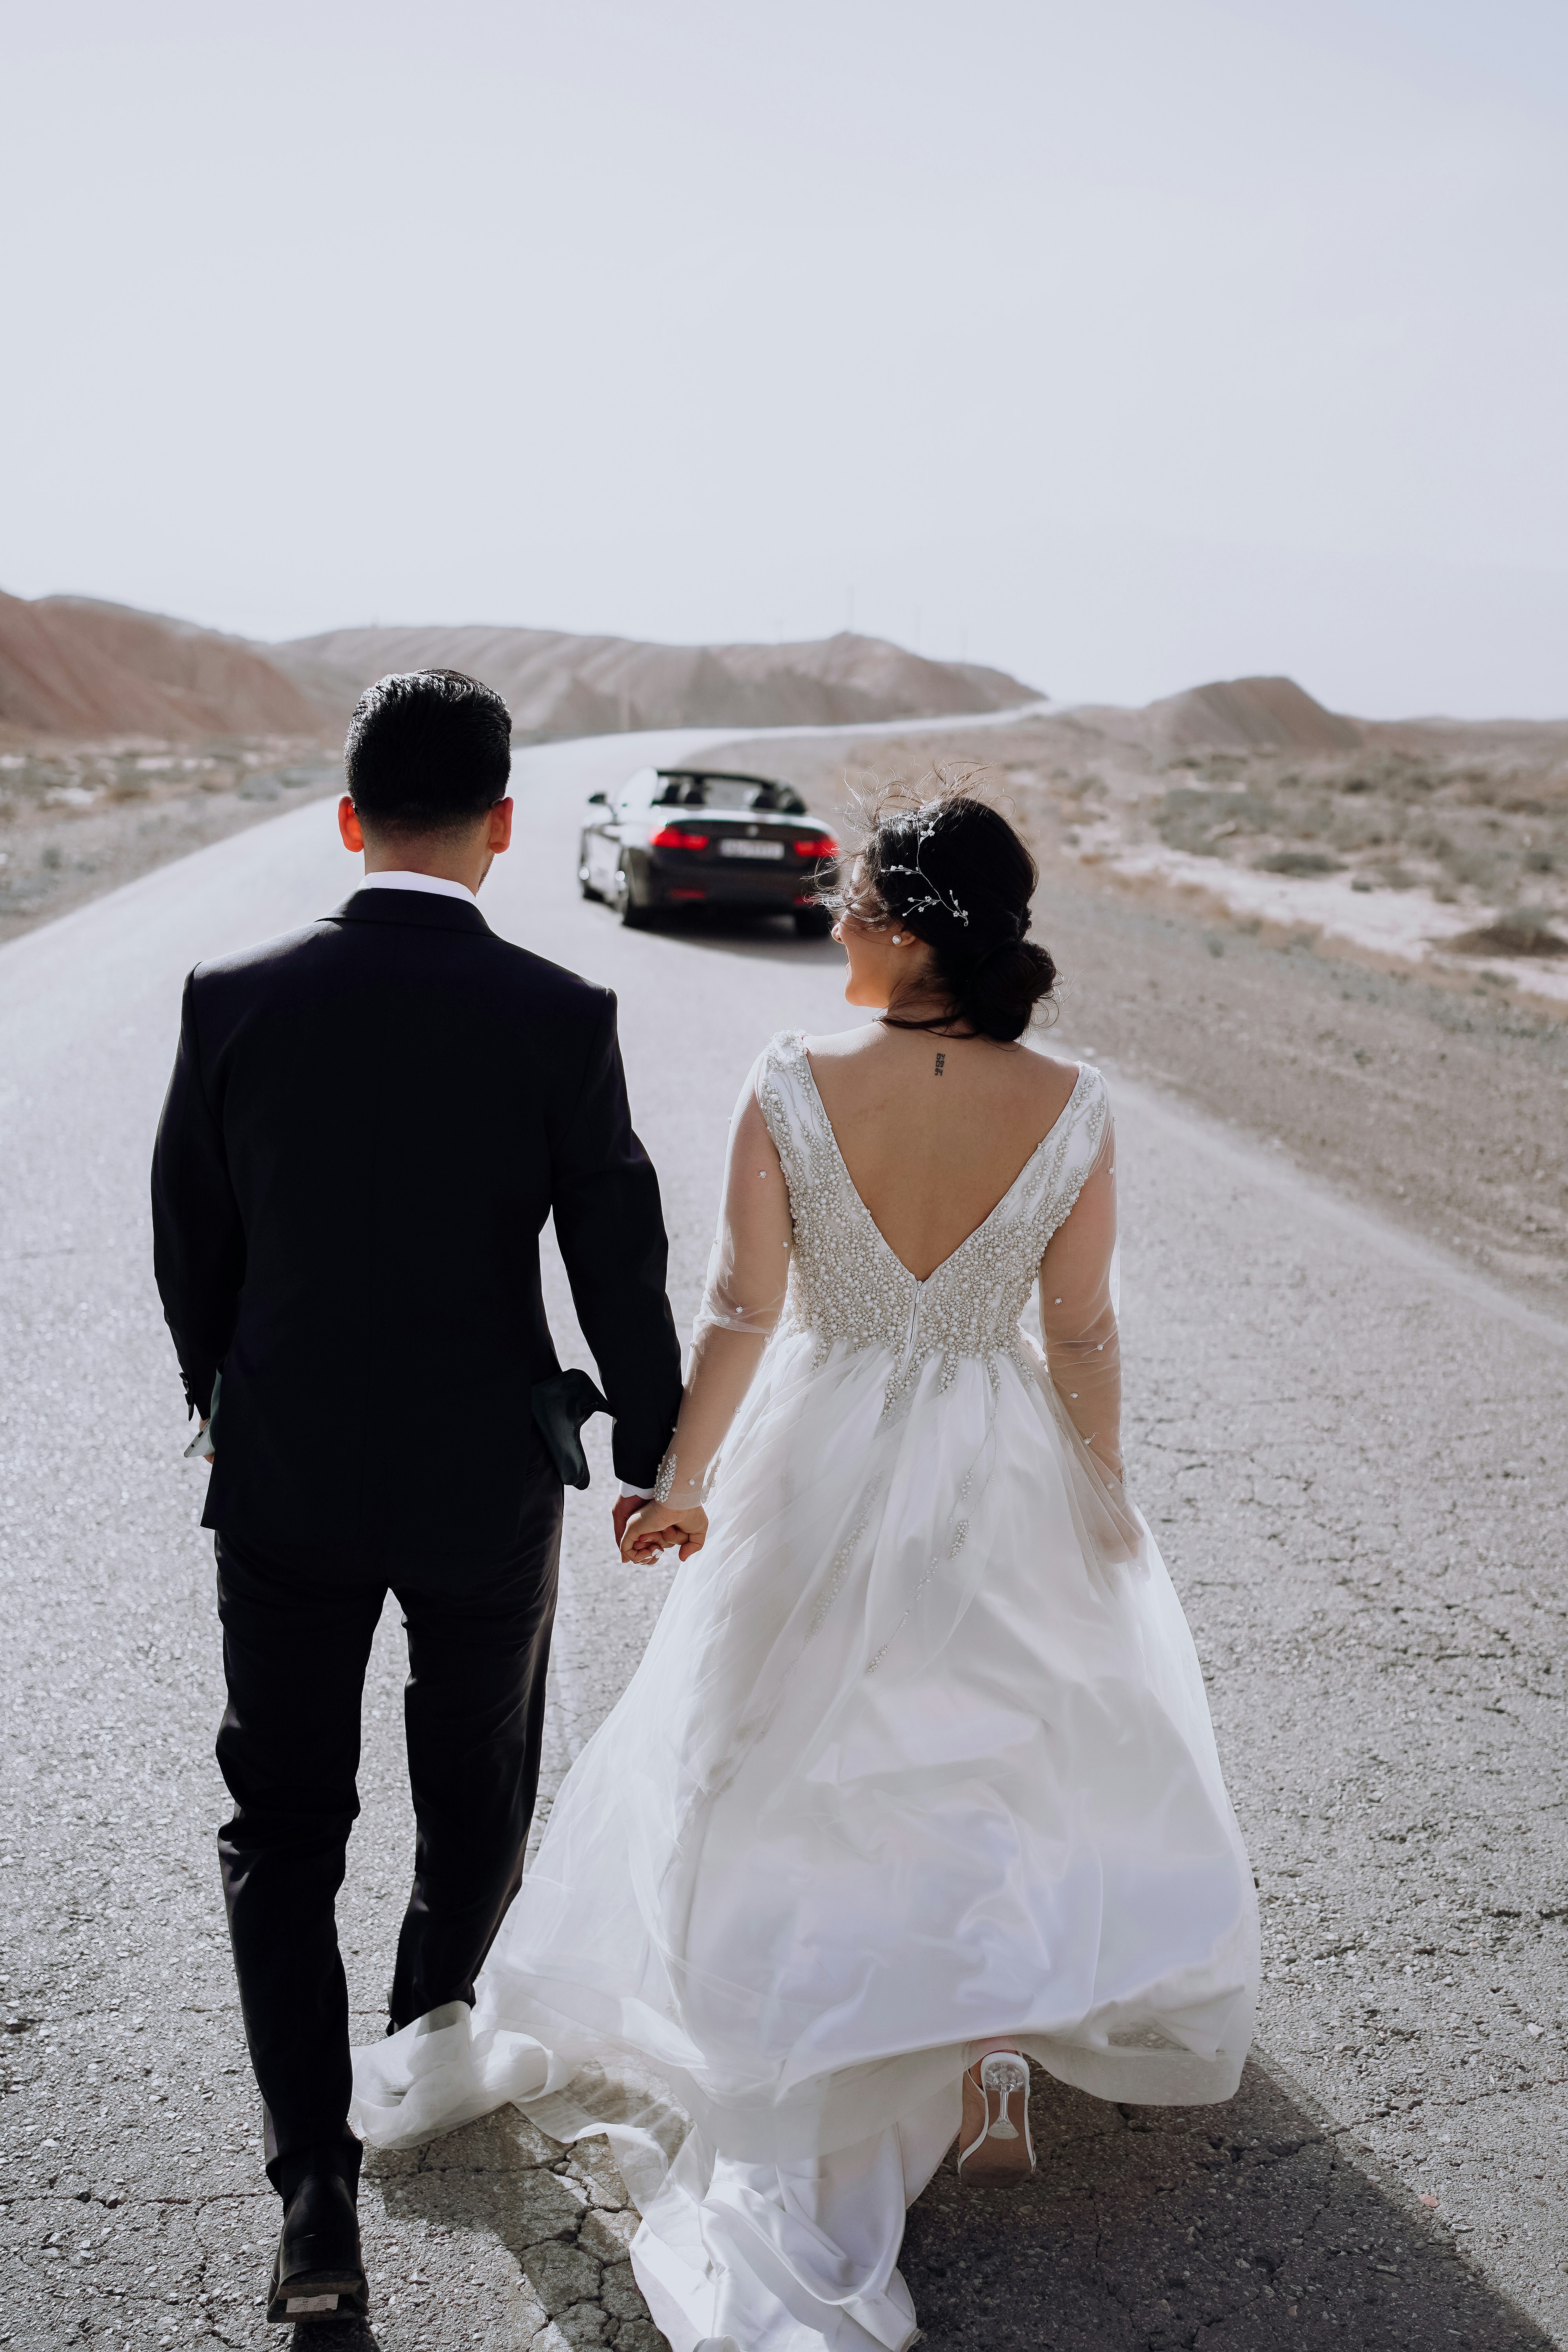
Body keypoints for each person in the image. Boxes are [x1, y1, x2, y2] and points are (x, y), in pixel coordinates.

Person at [351, 780, 1259, 2352]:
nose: (834, 922)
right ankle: (980, 2051)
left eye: (852, 902)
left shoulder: (793, 1080)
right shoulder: (1073, 1104)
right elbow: (1083, 1330)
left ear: (907, 930)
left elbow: (741, 1312)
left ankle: (811, 2023)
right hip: (995, 1455)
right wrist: (1098, 1490)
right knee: (991, 1740)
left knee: (783, 1743)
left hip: (818, 1443)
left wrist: (681, 1483)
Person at [150, 669, 682, 2326]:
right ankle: (420, 2029)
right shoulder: (557, 1016)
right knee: (476, 1795)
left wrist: (226, 1404)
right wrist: (658, 1457)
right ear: (504, 827)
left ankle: (315, 2194)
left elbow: (191, 1247)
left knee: (283, 1825)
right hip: (482, 1486)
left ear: (348, 817)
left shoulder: (230, 999)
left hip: (290, 1476)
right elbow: (619, 1261)